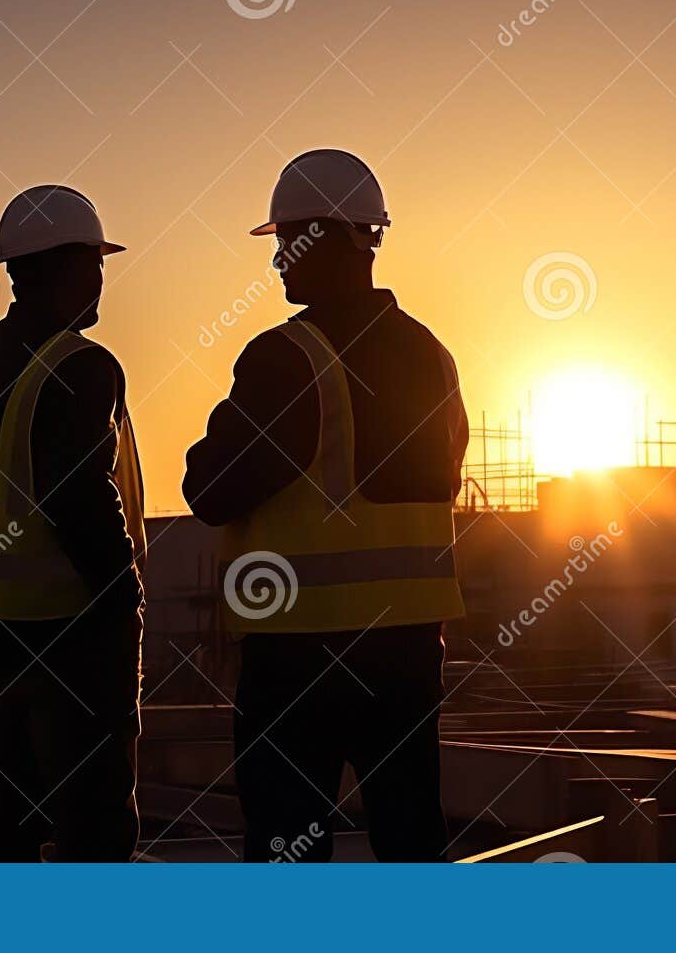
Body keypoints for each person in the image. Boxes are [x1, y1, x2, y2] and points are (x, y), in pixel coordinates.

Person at [184, 149, 468, 862]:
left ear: (335, 240)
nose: (279, 260)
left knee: (288, 850)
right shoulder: (433, 355)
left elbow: (209, 489)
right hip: (407, 651)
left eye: (288, 241)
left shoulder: (284, 357)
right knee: (410, 840)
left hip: (298, 656)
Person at [0, 185, 145, 862]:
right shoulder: (81, 365)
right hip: (69, 619)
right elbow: (78, 494)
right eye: (95, 264)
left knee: (14, 803)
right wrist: (124, 594)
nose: (102, 280)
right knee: (95, 814)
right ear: (65, 266)